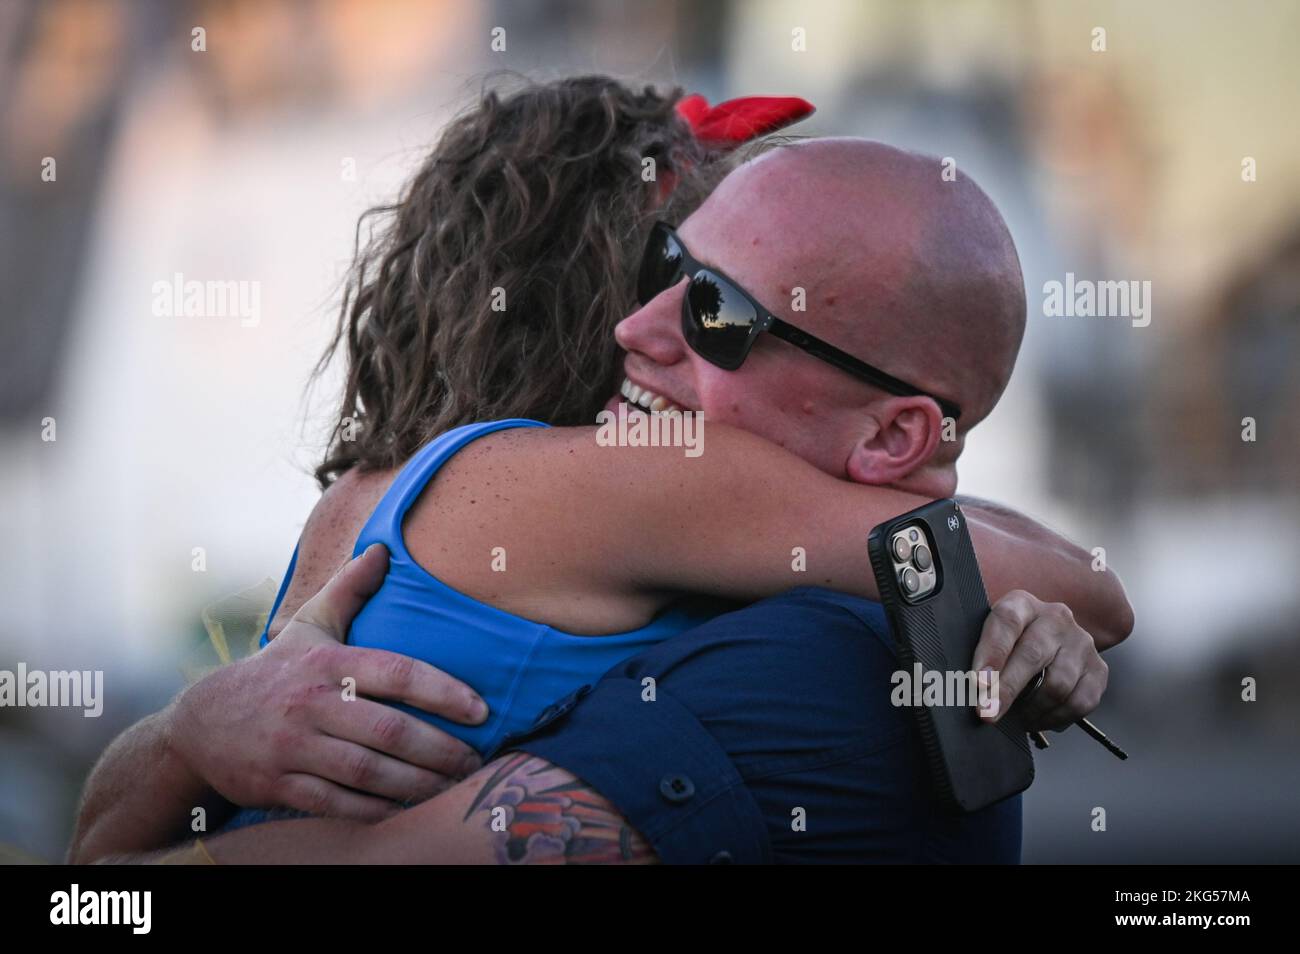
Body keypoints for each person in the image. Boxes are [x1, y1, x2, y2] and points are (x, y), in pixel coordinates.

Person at [69, 80, 1131, 863]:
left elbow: (97, 863)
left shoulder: (366, 504)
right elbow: (1086, 584)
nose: (642, 323)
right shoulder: (626, 487)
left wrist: (184, 729)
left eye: (715, 308)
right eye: (663, 265)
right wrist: (1023, 598)